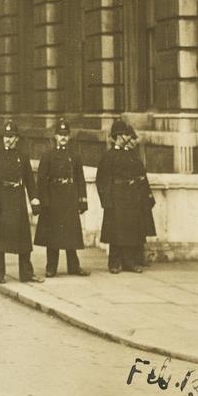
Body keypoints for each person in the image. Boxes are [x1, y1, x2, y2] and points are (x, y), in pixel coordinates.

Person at [0, 119, 43, 284]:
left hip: (17, 201)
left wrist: (35, 200)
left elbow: (30, 181)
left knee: (23, 241)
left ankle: (26, 273)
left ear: (17, 138)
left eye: (11, 136)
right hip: (2, 202)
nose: (8, 139)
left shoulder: (22, 157)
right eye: (5, 136)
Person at [96, 118, 157, 274]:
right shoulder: (109, 156)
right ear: (118, 136)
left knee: (130, 231)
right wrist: (106, 201)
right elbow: (101, 180)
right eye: (124, 135)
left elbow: (138, 176)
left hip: (131, 198)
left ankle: (129, 263)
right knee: (116, 233)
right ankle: (114, 263)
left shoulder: (130, 155)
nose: (128, 138)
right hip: (116, 198)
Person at [35, 117, 91, 278]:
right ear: (55, 136)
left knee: (70, 234)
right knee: (53, 236)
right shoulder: (48, 156)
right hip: (53, 199)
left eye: (66, 134)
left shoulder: (75, 156)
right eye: (60, 134)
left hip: (69, 198)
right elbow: (41, 179)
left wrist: (82, 200)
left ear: (69, 136)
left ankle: (74, 266)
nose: (63, 137)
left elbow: (80, 179)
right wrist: (44, 201)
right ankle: (51, 267)